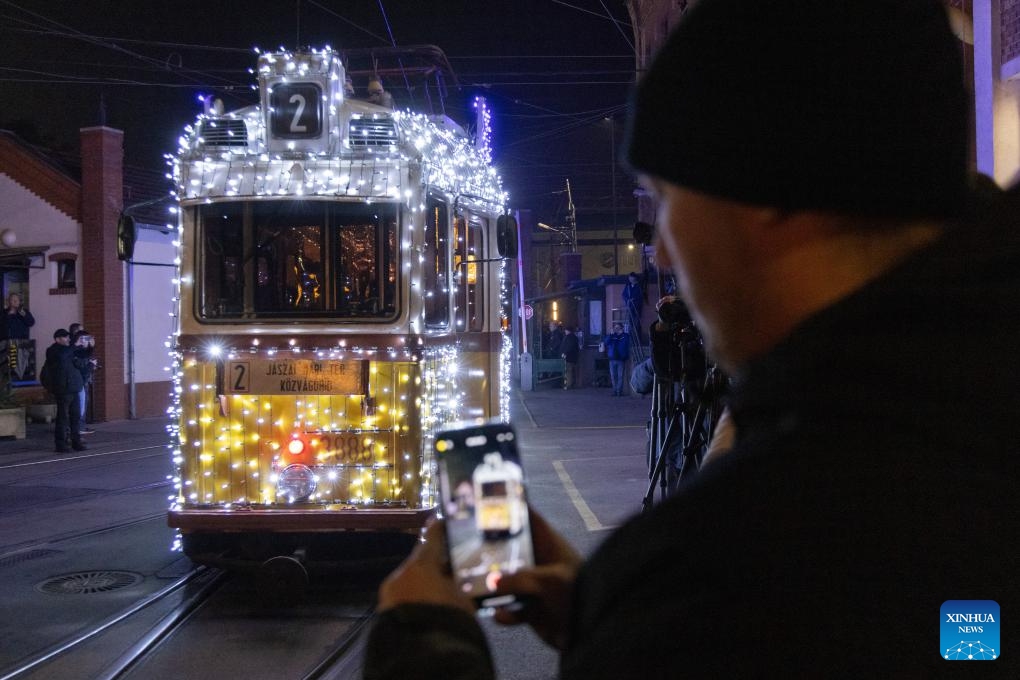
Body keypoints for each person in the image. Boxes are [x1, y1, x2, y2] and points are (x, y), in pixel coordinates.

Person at [362, 1, 1019, 677]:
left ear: (766, 191)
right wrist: (610, 621)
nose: (664, 257)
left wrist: (423, 640)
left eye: (670, 198)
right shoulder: (963, 415)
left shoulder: (727, 564)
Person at [45, 328, 86, 453]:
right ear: (57, 339)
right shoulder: (52, 350)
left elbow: (80, 363)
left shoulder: (70, 350)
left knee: (76, 416)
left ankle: (76, 442)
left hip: (75, 387)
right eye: (65, 337)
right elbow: (62, 358)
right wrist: (74, 346)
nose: (68, 339)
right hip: (63, 389)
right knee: (63, 417)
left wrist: (86, 349)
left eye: (69, 337)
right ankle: (61, 444)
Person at [71, 328, 97, 434]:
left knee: (82, 404)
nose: (87, 341)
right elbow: (81, 366)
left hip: (82, 381)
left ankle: (79, 427)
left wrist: (91, 346)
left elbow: (87, 354)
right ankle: (78, 428)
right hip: (79, 382)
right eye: (85, 339)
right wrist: (91, 364)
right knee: (80, 406)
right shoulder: (75, 351)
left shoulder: (79, 351)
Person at [601, 322, 629, 396]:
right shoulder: (611, 336)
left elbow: (628, 341)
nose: (617, 329)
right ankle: (615, 391)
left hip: (621, 359)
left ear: (622, 328)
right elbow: (606, 342)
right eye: (615, 328)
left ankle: (619, 391)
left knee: (620, 376)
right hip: (612, 359)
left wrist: (622, 333)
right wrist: (611, 335)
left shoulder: (625, 336)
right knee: (613, 376)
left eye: (618, 328)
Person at [621, 272, 643, 342]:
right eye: (629, 277)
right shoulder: (628, 286)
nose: (630, 279)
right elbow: (623, 295)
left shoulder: (639, 286)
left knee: (637, 323)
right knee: (630, 323)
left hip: (637, 307)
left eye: (631, 277)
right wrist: (628, 300)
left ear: (635, 278)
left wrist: (634, 300)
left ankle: (638, 339)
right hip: (630, 307)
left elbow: (641, 296)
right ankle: (631, 339)